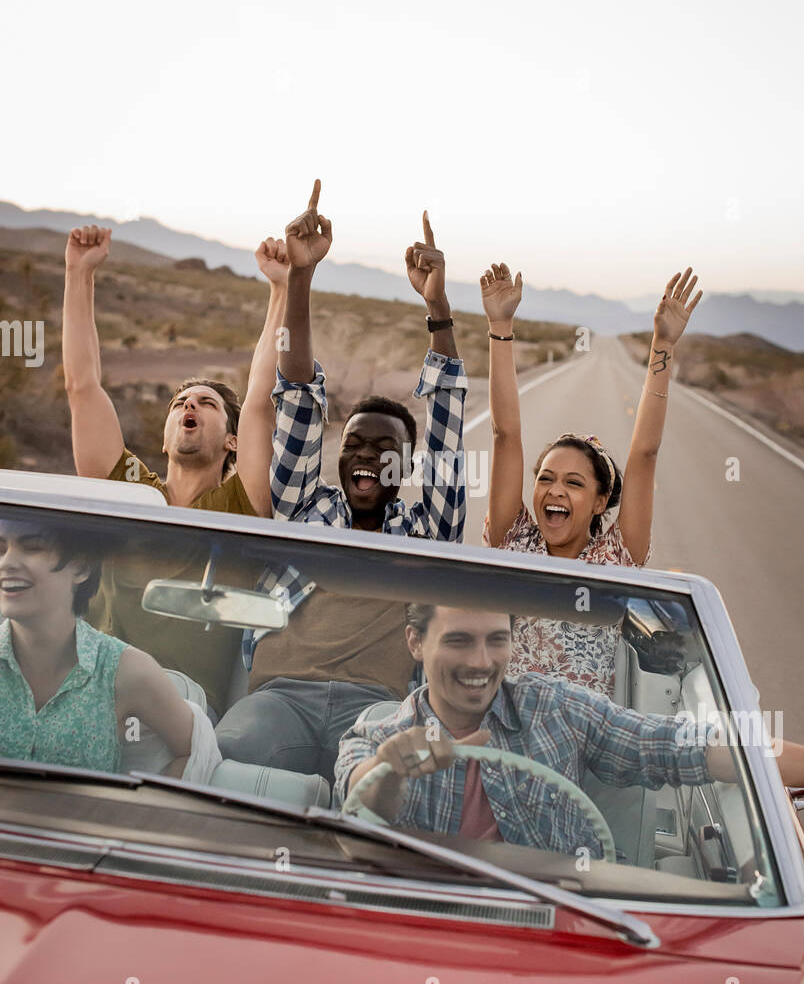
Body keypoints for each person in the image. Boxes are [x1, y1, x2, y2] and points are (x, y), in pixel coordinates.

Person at [216, 187, 468, 781]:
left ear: (407, 468)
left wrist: (438, 309)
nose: (364, 456)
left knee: (400, 789)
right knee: (225, 759)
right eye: (353, 444)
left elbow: (448, 422)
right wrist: (300, 278)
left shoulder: (425, 529)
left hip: (378, 709)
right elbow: (300, 394)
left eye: (385, 449)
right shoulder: (307, 507)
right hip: (280, 698)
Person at [334, 604, 804, 854]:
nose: (482, 660)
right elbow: (359, 800)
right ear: (414, 642)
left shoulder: (555, 707)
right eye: (458, 641)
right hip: (430, 939)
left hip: (565, 939)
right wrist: (391, 771)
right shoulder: (376, 737)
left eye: (497, 639)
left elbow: (693, 749)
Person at [61, 221, 289, 714]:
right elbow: (82, 388)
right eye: (180, 402)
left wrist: (280, 290)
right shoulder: (129, 487)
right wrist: (78, 274)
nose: (189, 405)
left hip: (180, 705)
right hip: (91, 686)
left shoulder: (241, 503)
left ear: (232, 440)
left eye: (206, 403)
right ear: (165, 435)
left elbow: (259, 404)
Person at [479, 261, 703, 697]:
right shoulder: (515, 539)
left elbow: (644, 454)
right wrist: (500, 326)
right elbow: (505, 434)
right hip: (507, 725)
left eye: (575, 483)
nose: (554, 490)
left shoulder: (615, 559)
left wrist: (662, 344)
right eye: (546, 478)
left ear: (601, 502)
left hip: (581, 735)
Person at [0, 519, 196, 775]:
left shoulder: (126, 670)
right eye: (0, 548)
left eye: (33, 547)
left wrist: (137, 812)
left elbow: (193, 751)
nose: (6, 562)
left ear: (81, 566)